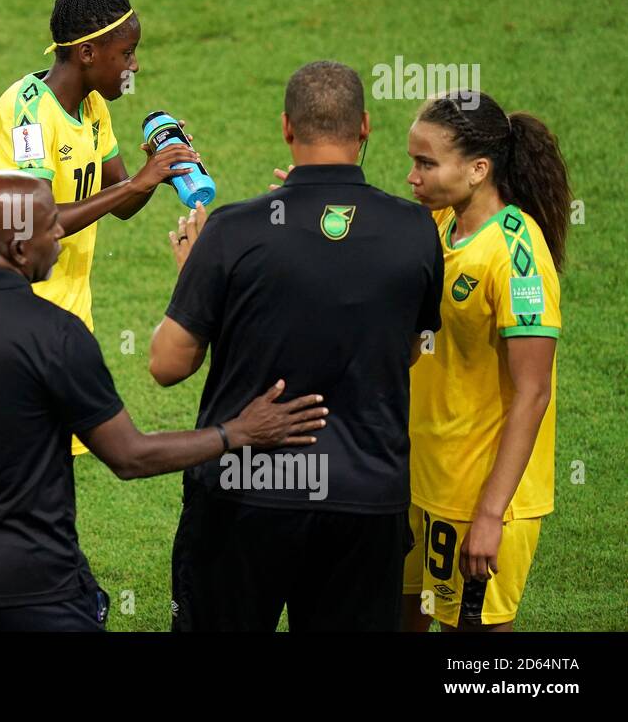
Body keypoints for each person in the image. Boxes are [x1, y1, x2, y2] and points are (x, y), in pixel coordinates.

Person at [0, 171, 328, 631]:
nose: (60, 235)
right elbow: (129, 456)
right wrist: (238, 432)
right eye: (50, 226)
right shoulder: (54, 333)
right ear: (17, 247)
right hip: (39, 595)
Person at [151, 60, 444, 632]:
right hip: (366, 500)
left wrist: (193, 279)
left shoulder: (231, 232)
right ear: (364, 127)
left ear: (287, 127)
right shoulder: (416, 231)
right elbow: (409, 349)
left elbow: (167, 365)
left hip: (244, 496)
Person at [0, 0, 200, 455]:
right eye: (128, 53)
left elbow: (119, 201)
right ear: (87, 52)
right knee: (21, 464)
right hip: (15, 320)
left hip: (70, 316)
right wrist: (137, 182)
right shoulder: (28, 116)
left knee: (52, 468)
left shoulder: (93, 106)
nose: (134, 65)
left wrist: (161, 171)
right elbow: (40, 223)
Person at [400, 92, 568, 632]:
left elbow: (533, 392)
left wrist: (491, 514)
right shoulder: (441, 224)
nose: (412, 177)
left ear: (478, 169)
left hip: (477, 493)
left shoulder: (517, 260)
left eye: (426, 163)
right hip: (422, 473)